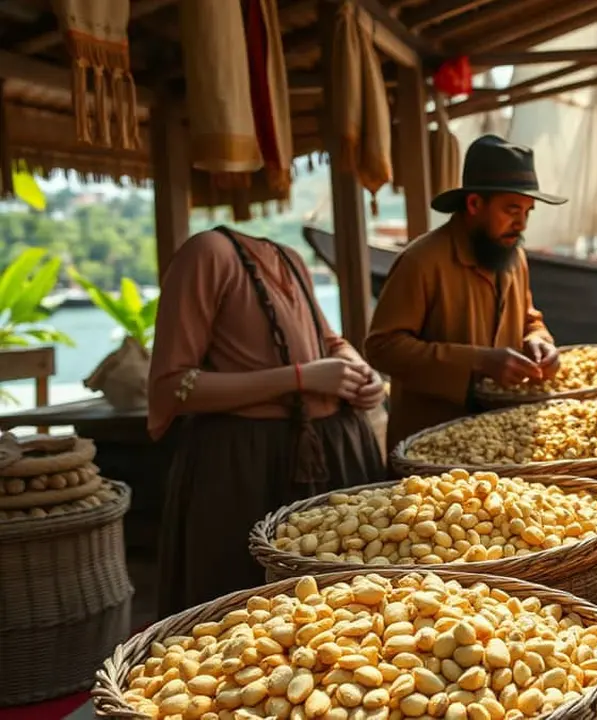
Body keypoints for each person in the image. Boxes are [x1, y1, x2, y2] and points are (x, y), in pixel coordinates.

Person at [148, 226, 385, 614]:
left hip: (333, 456)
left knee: (348, 607)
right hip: (248, 468)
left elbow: (329, 341)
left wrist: (360, 370)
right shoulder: (207, 254)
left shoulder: (290, 257)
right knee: (248, 611)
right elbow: (172, 386)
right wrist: (299, 378)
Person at [364, 134, 565, 450]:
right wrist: (479, 361)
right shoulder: (421, 261)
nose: (521, 224)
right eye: (512, 210)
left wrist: (539, 341)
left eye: (528, 212)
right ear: (474, 204)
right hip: (431, 445)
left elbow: (529, 319)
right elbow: (382, 348)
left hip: (502, 440)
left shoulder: (514, 257)